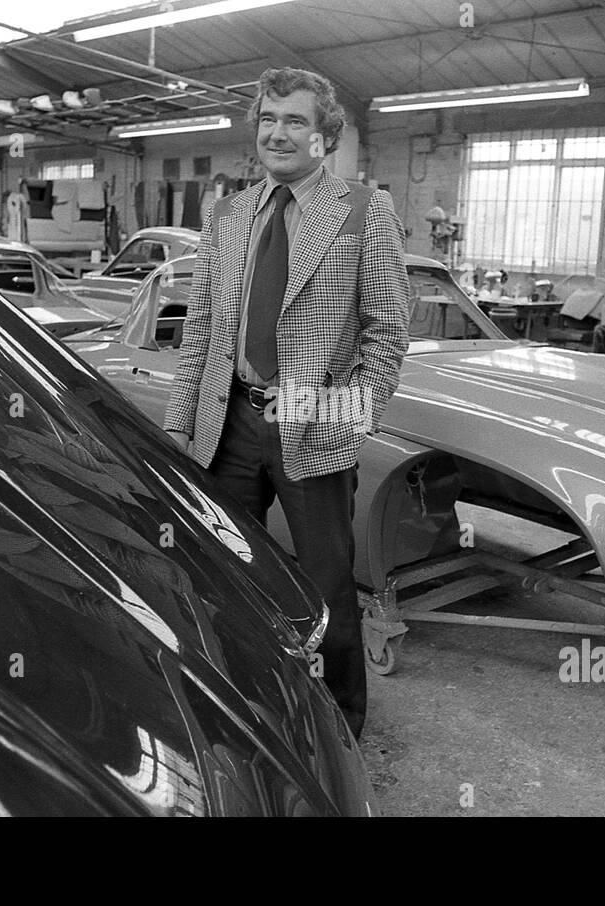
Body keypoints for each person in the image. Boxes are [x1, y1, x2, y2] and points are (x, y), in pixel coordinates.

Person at [163, 67, 410, 738]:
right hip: (231, 421)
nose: (277, 133)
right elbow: (202, 327)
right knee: (229, 573)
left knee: (327, 586)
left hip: (315, 425)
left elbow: (389, 331)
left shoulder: (363, 211)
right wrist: (181, 421)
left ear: (324, 136)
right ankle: (247, 700)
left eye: (294, 121)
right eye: (268, 120)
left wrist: (346, 420)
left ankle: (340, 725)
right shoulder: (229, 214)